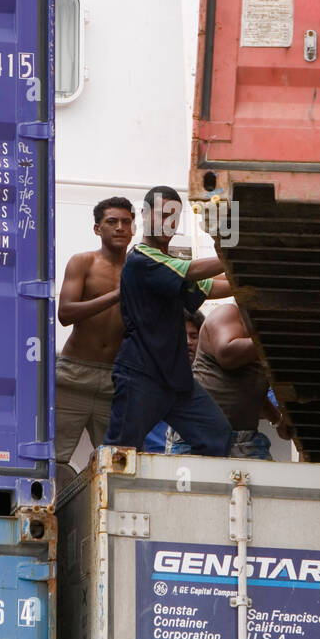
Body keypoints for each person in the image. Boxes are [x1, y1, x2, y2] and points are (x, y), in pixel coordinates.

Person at [104, 186, 232, 454]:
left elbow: (213, 286)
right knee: (120, 454)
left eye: (174, 218)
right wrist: (230, 253)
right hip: (141, 376)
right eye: (162, 215)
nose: (168, 224)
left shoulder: (169, 269)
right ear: (144, 214)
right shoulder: (142, 258)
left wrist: (255, 280)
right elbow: (193, 270)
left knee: (217, 435)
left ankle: (186, 493)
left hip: (177, 380)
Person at [54, 197, 134, 487]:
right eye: (112, 222)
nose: (120, 227)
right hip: (74, 374)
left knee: (117, 464)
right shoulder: (83, 262)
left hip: (115, 379)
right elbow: (65, 314)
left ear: (134, 229)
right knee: (52, 460)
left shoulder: (139, 268)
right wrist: (116, 295)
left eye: (126, 222)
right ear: (97, 229)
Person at [192, 303, 281, 459]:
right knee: (198, 483)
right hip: (199, 435)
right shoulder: (228, 313)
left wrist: (277, 419)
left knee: (263, 482)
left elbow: (250, 389)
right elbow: (227, 354)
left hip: (246, 440)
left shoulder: (265, 329)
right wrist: (278, 337)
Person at [143, 310, 204, 453]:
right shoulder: (148, 376)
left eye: (194, 336)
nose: (188, 342)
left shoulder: (212, 379)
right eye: (182, 335)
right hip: (152, 460)